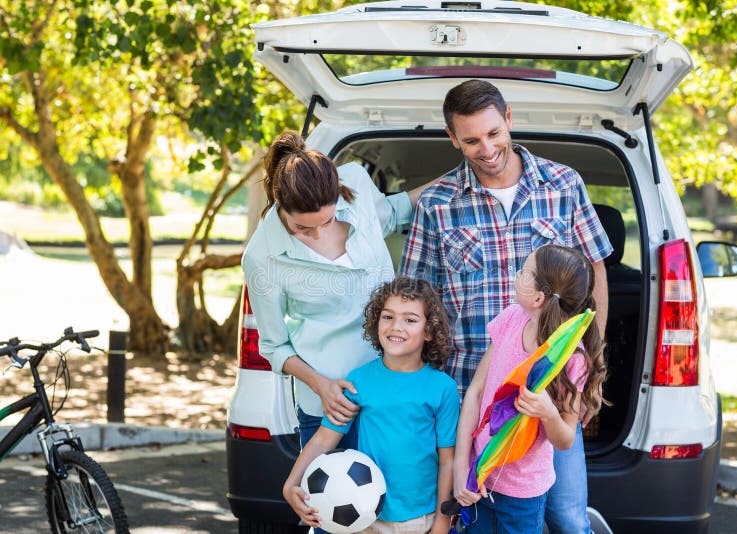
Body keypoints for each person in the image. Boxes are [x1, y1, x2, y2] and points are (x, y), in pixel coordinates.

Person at [400, 80, 613, 533]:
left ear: (509, 119)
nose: (487, 148)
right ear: (452, 138)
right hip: (469, 396)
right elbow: (415, 299)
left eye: (494, 134)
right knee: (468, 512)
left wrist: (588, 368)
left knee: (566, 517)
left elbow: (594, 276)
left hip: (548, 389)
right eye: (472, 140)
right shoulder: (436, 206)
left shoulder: (564, 184)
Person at [242, 131, 430, 449]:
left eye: (327, 221)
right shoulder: (261, 256)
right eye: (301, 228)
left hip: (395, 392)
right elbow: (274, 347)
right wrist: (322, 387)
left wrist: (463, 177)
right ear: (279, 202)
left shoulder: (355, 181)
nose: (316, 234)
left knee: (402, 496)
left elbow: (391, 213)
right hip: (331, 407)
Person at [283, 277, 460, 534]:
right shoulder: (359, 381)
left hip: (422, 519)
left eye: (410, 320)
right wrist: (291, 483)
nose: (396, 327)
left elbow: (448, 461)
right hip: (366, 518)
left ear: (429, 331)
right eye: (388, 317)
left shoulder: (442, 388)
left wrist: (443, 521)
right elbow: (323, 440)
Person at [453, 244, 607, 534]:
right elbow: (475, 392)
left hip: (523, 494)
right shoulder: (511, 319)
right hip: (479, 478)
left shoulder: (571, 357)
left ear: (538, 297)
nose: (517, 274)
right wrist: (461, 467)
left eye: (524, 271)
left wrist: (548, 413)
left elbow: (564, 441)